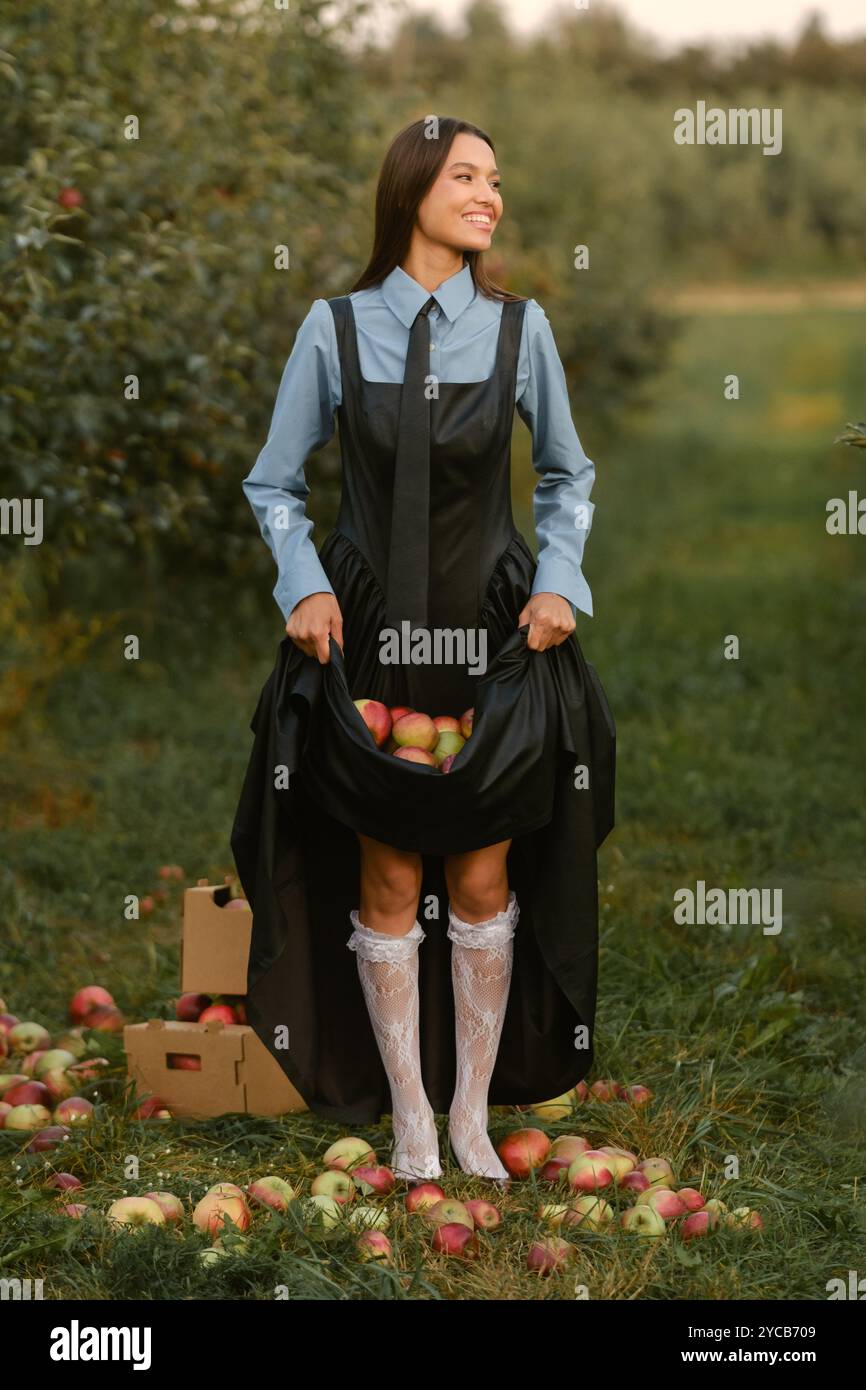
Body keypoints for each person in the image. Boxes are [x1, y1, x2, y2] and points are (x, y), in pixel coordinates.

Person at [231, 116, 615, 1186]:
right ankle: (407, 1113)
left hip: (488, 623)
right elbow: (272, 484)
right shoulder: (336, 329)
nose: (489, 195)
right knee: (389, 864)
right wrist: (300, 580)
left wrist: (557, 575)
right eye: (466, 177)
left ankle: (471, 1115)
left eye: (497, 178)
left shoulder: (515, 329)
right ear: (410, 191)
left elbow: (567, 476)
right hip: (366, 626)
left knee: (484, 865)